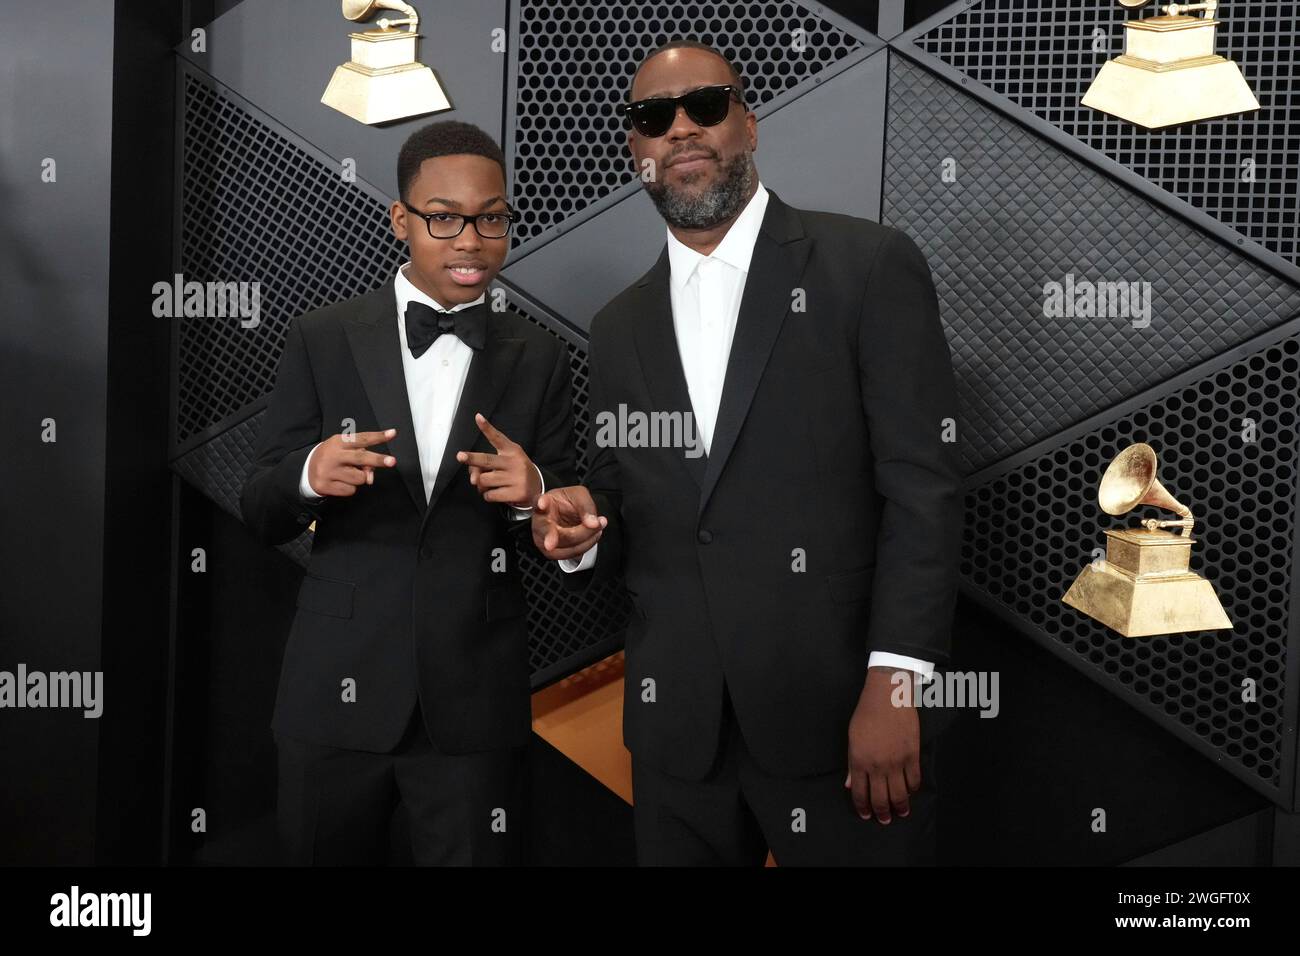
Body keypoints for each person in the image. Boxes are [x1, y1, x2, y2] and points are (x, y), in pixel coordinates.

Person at [532, 40, 963, 865]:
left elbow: (923, 491)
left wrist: (895, 685)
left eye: (706, 104)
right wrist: (582, 525)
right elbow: (624, 496)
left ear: (750, 124)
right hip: (678, 738)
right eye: (653, 118)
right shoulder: (619, 326)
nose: (681, 130)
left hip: (846, 720)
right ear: (636, 151)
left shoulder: (867, 266)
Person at [239, 120, 577, 865]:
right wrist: (306, 475)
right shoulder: (322, 337)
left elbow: (566, 522)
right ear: (401, 219)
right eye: (444, 217)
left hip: (473, 701)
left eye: (491, 218)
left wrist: (539, 493)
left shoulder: (542, 357)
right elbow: (259, 507)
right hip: (333, 690)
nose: (470, 240)